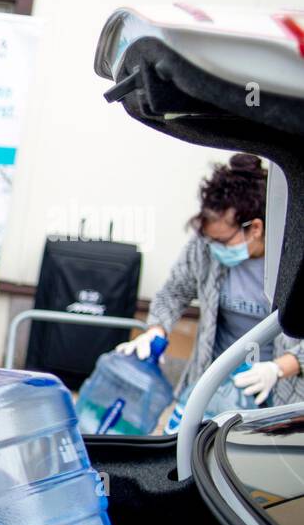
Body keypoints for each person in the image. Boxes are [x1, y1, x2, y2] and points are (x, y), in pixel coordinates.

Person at [118, 154, 303, 408]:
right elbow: (174, 293)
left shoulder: (294, 262)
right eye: (210, 239)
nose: (214, 247)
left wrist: (278, 369)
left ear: (255, 228)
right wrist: (156, 330)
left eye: (223, 241)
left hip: (278, 389)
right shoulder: (205, 248)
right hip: (215, 383)